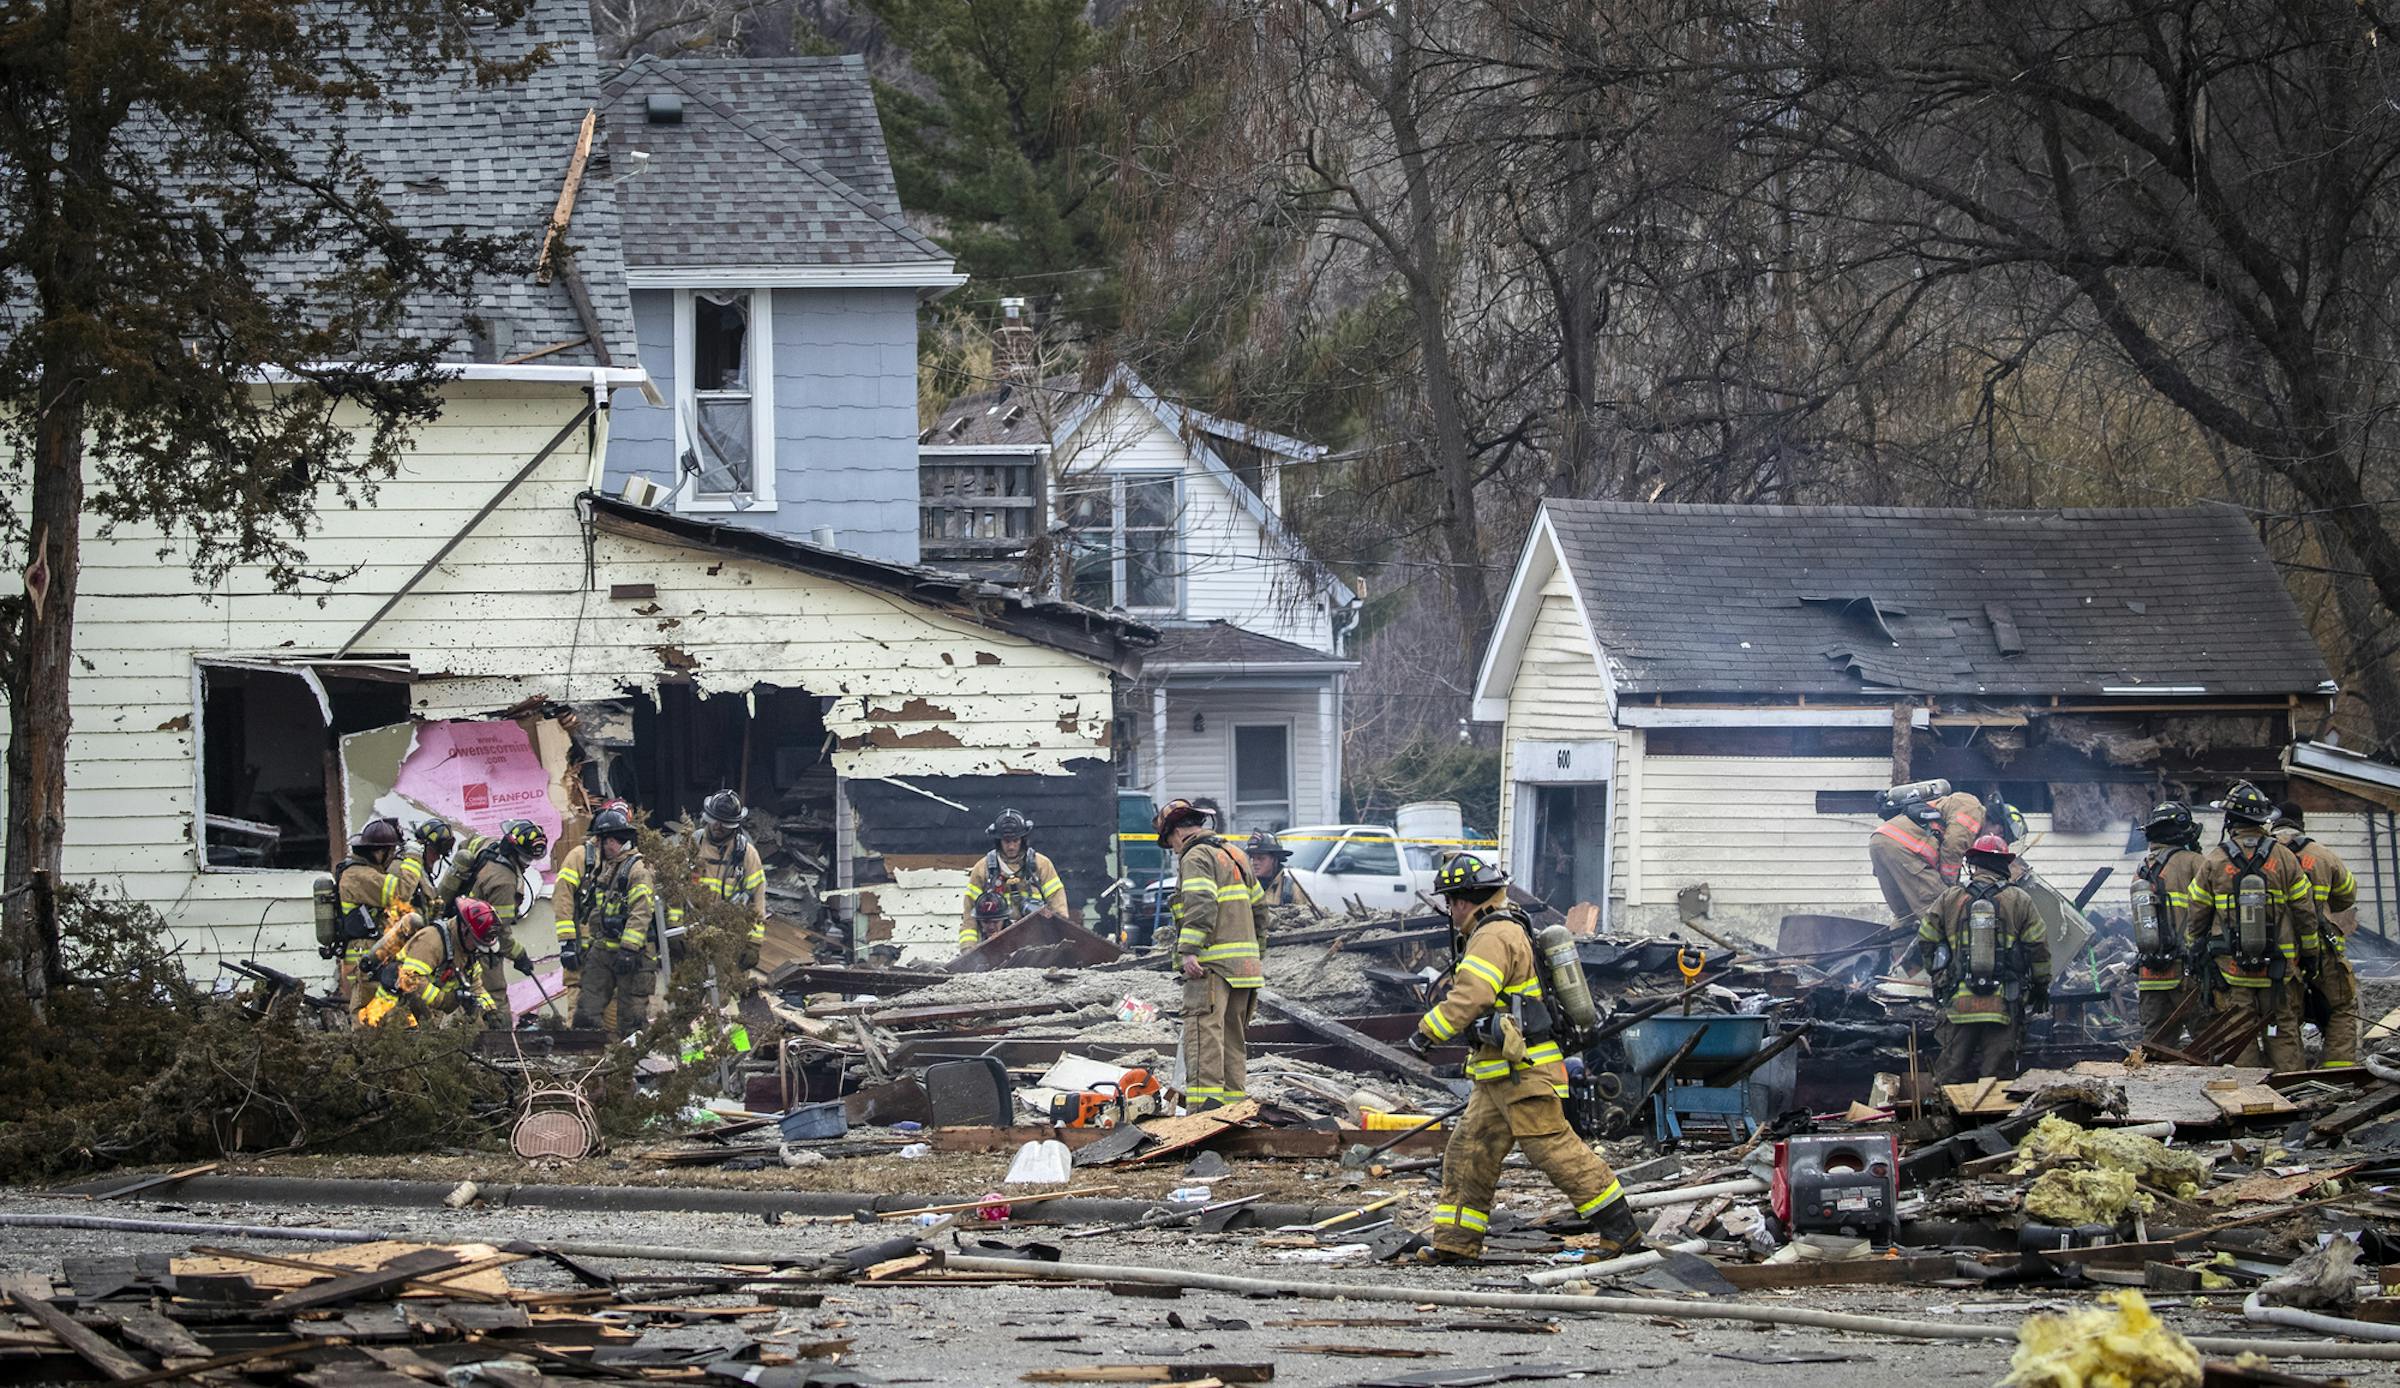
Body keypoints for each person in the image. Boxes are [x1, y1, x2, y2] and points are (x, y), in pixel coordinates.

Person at [1407, 853, 1637, 1264]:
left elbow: (1472, 995)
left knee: (1556, 1151)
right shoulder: (1500, 927)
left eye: (1450, 902)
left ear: (1463, 901)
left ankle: (1622, 1232)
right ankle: (1455, 1245)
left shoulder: (1494, 935)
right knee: (1469, 1153)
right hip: (1498, 1074)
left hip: (1523, 1072)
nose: (1450, 912)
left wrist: (1427, 1032)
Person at [2185, 782, 2315, 1072]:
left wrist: (2194, 945)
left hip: (2233, 972)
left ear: (2230, 819)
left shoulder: (2214, 861)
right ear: (2262, 820)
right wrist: (2310, 953)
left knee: (2236, 1032)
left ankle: (2245, 1095)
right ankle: (2289, 1091)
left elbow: (2197, 914)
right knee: (2280, 1029)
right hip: (2278, 972)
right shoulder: (2284, 858)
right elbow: (2305, 912)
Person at [1920, 834, 2050, 1087]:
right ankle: (1993, 1124)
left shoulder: (1950, 898)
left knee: (1950, 1072)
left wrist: (1938, 976)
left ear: (1974, 863)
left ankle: (1943, 1120)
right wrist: (2041, 984)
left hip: (1960, 1000)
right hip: (2004, 1000)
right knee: (1997, 1079)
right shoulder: (2019, 899)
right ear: (2003, 864)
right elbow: (2038, 946)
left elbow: (1926, 937)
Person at [1162, 798, 1262, 1111]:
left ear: (1178, 832)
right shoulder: (1236, 855)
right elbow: (1261, 911)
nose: (1174, 851)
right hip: (1244, 969)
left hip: (1211, 968)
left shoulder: (1195, 856)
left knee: (1204, 1037)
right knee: (1233, 1041)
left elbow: (1201, 903)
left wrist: (1190, 950)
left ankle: (1204, 1115)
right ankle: (1233, 1110)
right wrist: (1254, 957)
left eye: (1170, 844)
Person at [2274, 801, 2360, 1068]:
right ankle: (2339, 1073)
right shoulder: (2323, 856)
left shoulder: (2263, 858)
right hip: (2323, 947)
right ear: (2301, 824)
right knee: (2341, 1007)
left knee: (2284, 1016)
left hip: (2279, 953)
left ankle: (2286, 1078)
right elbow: (2347, 895)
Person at [432, 818, 543, 1011]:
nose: (528, 864)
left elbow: (466, 843)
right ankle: (501, 1035)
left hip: (455, 927)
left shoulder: (489, 844)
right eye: (526, 858)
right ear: (514, 850)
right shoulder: (504, 883)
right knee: (494, 993)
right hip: (478, 941)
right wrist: (519, 955)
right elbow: (499, 931)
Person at [570, 808, 660, 1039]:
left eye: (598, 840)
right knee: (586, 1015)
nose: (595, 845)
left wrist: (628, 950)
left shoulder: (637, 871)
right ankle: (588, 1065)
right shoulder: (608, 869)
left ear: (610, 841)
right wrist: (588, 946)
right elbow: (597, 913)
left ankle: (634, 1070)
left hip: (635, 957)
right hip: (603, 952)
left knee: (631, 1022)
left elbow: (641, 912)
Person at [358, 898, 509, 1029]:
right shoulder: (432, 942)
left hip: (422, 1013)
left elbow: (475, 985)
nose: (478, 948)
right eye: (476, 942)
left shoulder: (467, 952)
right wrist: (446, 1000)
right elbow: (412, 981)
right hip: (390, 1009)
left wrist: (490, 1011)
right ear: (464, 929)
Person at [2130, 802, 2206, 1050]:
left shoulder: (2141, 870)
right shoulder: (2195, 862)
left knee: (2155, 1047)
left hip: (2151, 973)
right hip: (2187, 972)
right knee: (2208, 1040)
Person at [1868, 781, 1987, 923]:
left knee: (1906, 916)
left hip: (1880, 840)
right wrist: (1949, 887)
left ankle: (1899, 946)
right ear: (1996, 823)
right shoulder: (1974, 808)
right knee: (1942, 911)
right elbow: (1953, 848)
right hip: (1905, 847)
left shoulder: (1947, 806)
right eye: (2002, 835)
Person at [332, 818, 412, 1014]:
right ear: (378, 853)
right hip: (363, 955)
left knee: (380, 1014)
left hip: (368, 952)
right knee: (367, 1014)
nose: (393, 857)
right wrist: (414, 859)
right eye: (391, 852)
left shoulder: (364, 873)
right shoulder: (361, 876)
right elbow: (402, 892)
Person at [959, 808, 1068, 950]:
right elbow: (969, 915)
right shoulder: (982, 869)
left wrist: (1059, 944)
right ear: (999, 841)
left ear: (1023, 839)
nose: (1011, 846)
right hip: (996, 944)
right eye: (1006, 841)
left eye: (1015, 840)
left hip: (1036, 943)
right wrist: (968, 949)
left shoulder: (1041, 865)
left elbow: (1059, 910)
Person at [551, 799, 629, 988]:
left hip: (610, 947)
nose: (619, 843)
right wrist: (567, 943)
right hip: (582, 946)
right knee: (579, 1003)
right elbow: (563, 898)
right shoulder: (580, 857)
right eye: (614, 838)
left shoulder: (624, 861)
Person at [690, 791, 769, 972]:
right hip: (693, 934)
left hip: (728, 937)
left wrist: (754, 943)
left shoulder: (746, 854)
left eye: (724, 823)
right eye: (714, 820)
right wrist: (673, 926)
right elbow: (675, 890)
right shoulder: (692, 844)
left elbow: (756, 903)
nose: (718, 826)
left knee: (722, 995)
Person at [1246, 831, 1317, 914]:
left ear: (1275, 860)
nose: (1254, 863)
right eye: (1252, 858)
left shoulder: (1289, 889)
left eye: (1261, 858)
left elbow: (1306, 918)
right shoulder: (1245, 886)